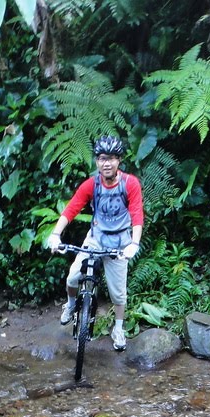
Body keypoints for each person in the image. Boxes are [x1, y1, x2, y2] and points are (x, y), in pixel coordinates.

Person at [47, 135, 143, 351]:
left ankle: (118, 328)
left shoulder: (130, 184)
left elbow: (137, 214)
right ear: (97, 161)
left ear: (118, 160)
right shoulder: (92, 184)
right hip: (96, 239)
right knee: (72, 277)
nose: (106, 163)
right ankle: (71, 305)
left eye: (110, 158)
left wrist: (133, 244)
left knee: (118, 293)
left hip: (120, 243)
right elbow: (72, 208)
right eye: (101, 158)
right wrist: (55, 234)